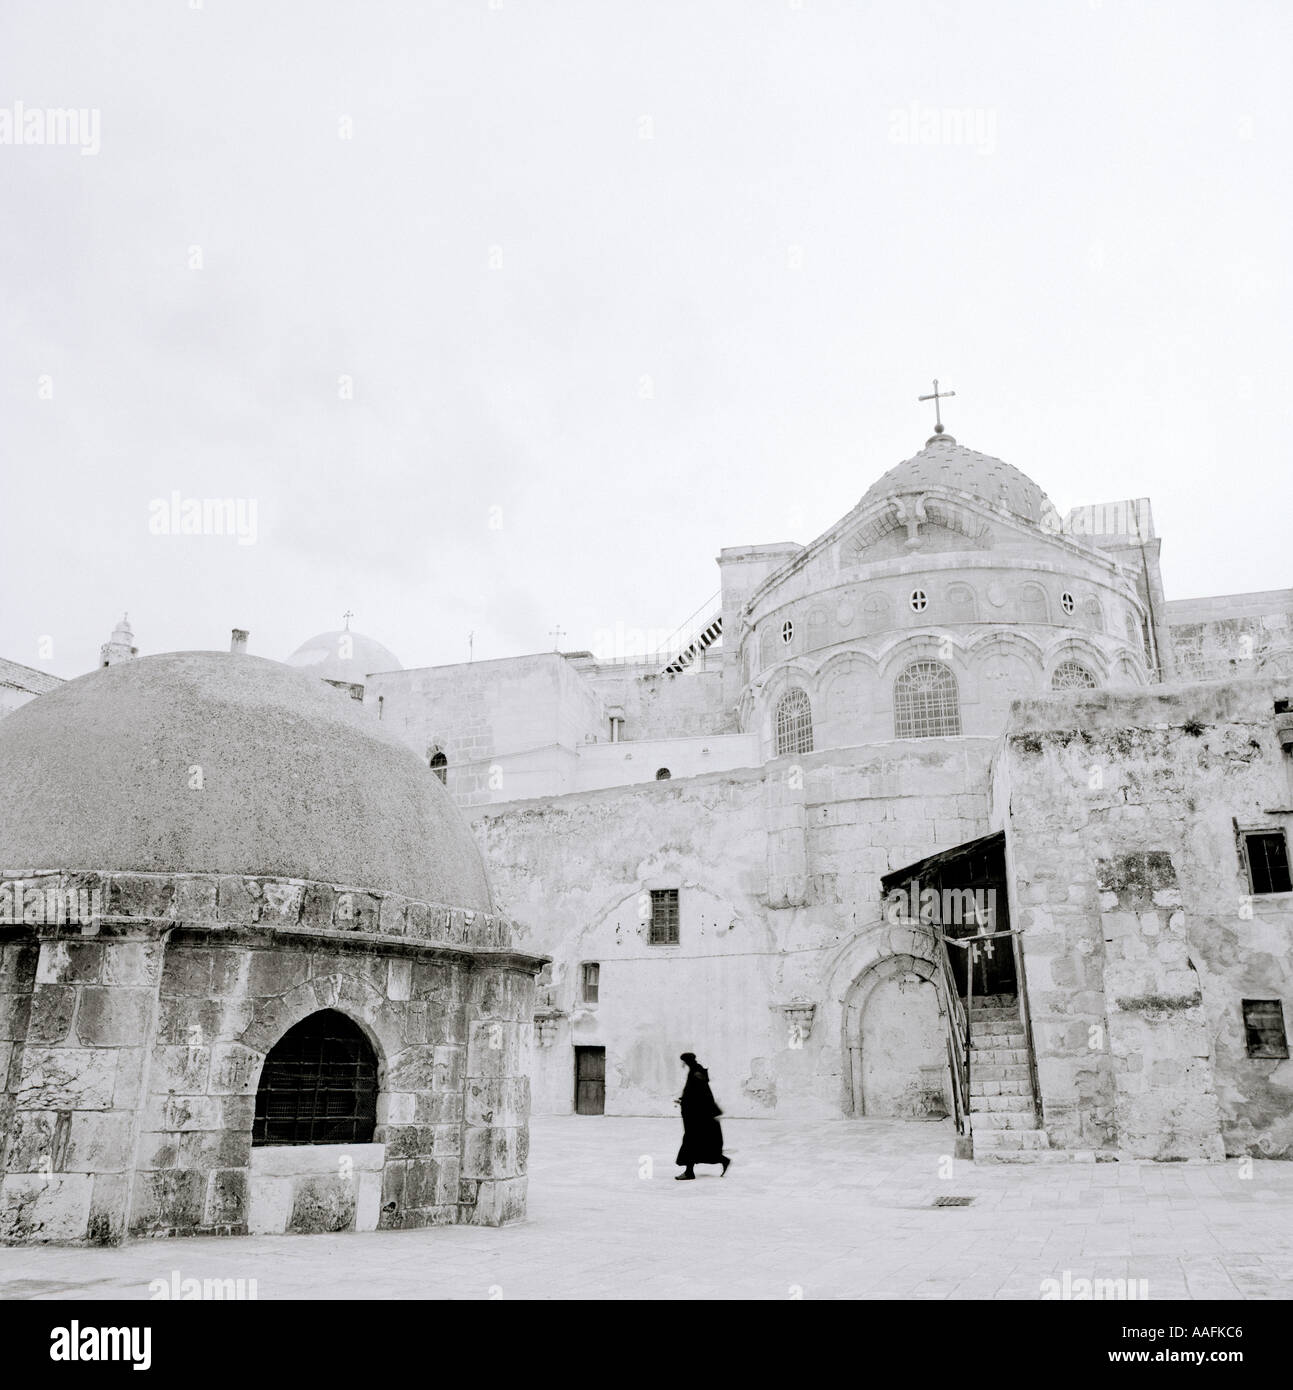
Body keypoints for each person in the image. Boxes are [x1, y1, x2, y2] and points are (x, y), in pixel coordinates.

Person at [674, 1052, 731, 1180]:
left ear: (686, 1061)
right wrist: (683, 1100)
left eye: (683, 1061)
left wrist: (687, 1101)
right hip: (697, 1114)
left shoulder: (696, 1073)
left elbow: (703, 1094)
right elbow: (695, 1092)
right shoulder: (696, 1071)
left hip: (697, 1116)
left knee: (690, 1142)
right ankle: (722, 1160)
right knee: (697, 1142)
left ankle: (689, 1172)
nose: (682, 1064)